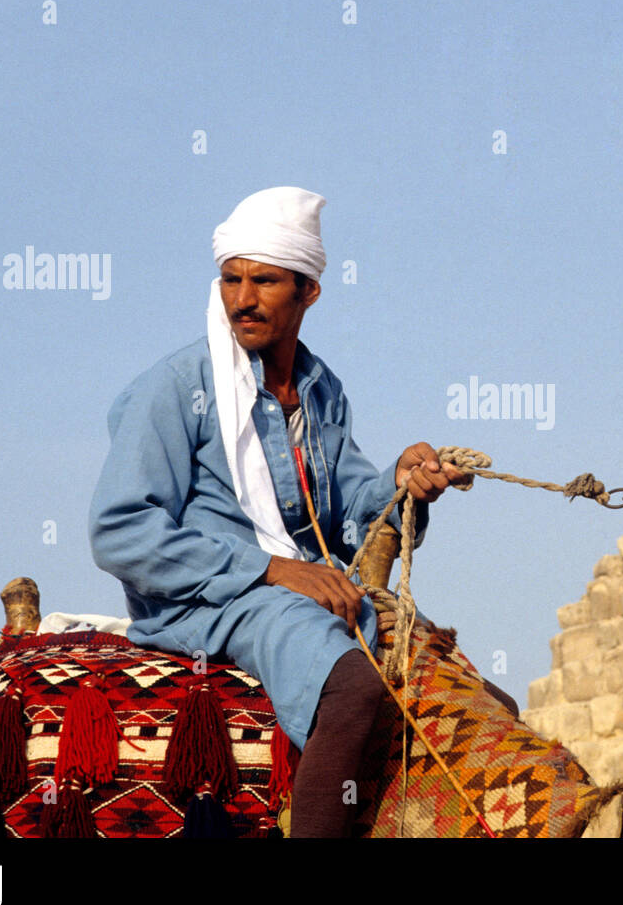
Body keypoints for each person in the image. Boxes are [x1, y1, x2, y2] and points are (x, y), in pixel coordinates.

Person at [88, 186, 467, 837]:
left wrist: (403, 484)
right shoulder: (179, 387)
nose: (242, 298)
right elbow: (122, 531)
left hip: (309, 584)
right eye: (231, 279)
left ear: (309, 291)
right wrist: (271, 570)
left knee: (467, 698)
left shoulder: (320, 390)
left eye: (263, 281)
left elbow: (348, 522)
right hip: (212, 600)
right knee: (351, 689)